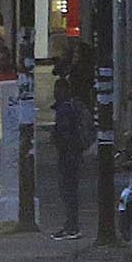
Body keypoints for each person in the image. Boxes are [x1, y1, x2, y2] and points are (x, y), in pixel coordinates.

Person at [50, 80, 95, 238]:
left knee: (68, 191)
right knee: (70, 191)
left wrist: (61, 144)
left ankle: (72, 226)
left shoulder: (65, 110)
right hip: (73, 153)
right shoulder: (71, 107)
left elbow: (64, 133)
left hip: (68, 154)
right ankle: (71, 225)